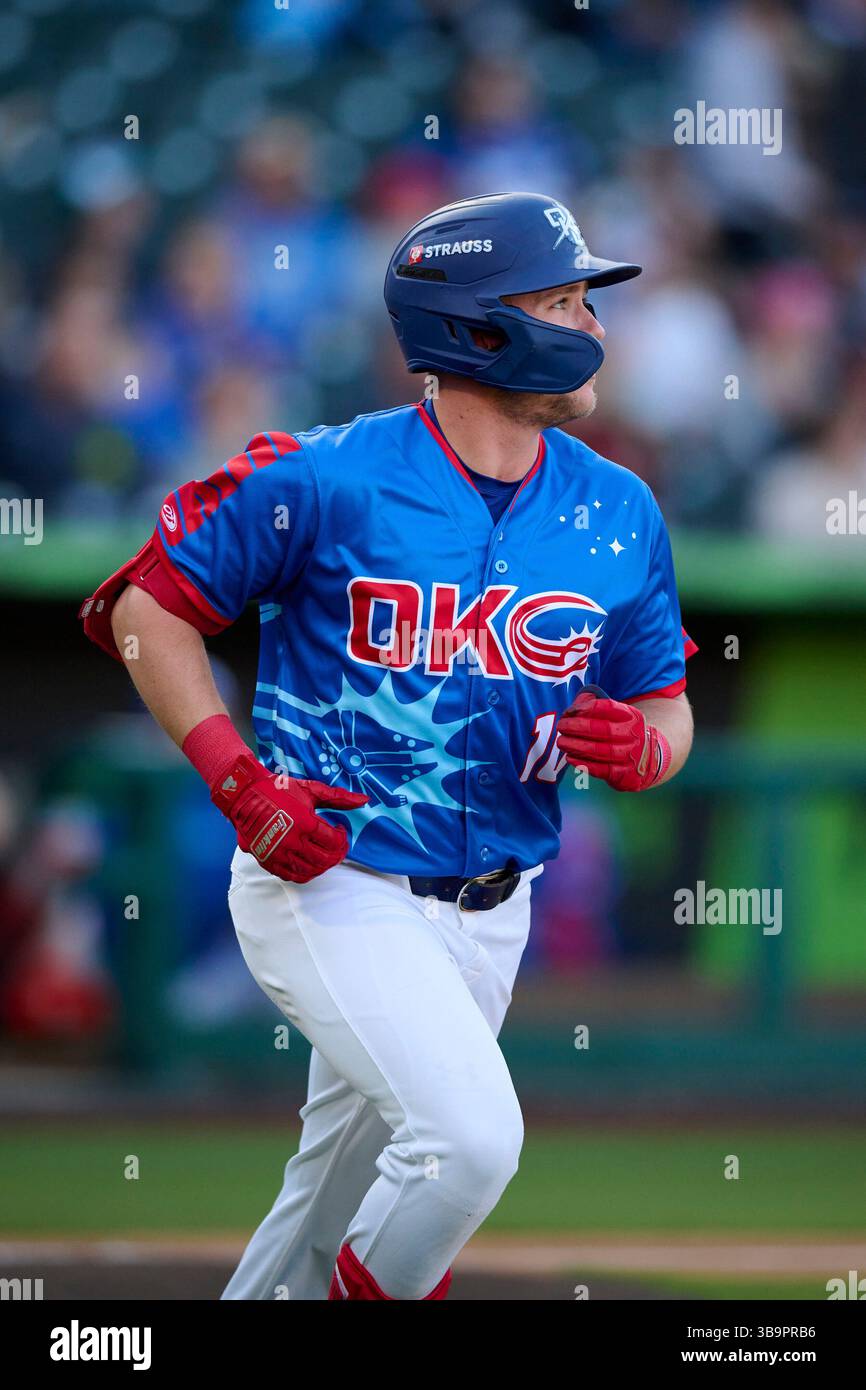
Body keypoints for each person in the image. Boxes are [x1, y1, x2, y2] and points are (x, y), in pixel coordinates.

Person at [81, 191, 696, 1301]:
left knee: (326, 1217)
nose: (592, 325)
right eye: (562, 299)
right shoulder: (325, 476)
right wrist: (235, 778)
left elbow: (665, 705)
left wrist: (649, 748)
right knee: (466, 1144)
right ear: (476, 325)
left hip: (494, 908)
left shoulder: (618, 509)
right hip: (331, 877)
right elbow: (146, 607)